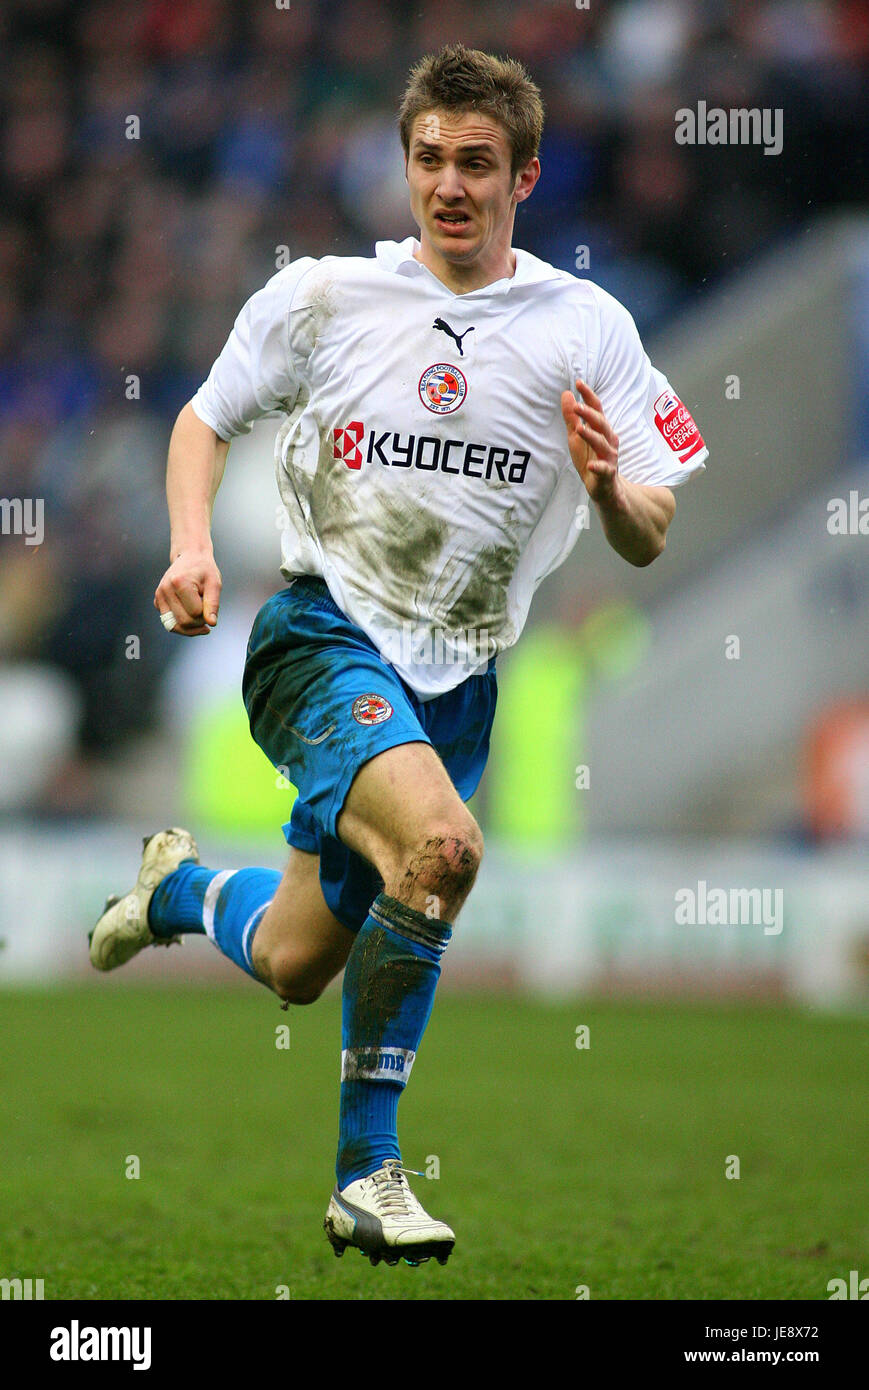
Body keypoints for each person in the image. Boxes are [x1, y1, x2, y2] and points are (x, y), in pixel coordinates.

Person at [89, 44, 708, 1268]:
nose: (448, 185)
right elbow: (204, 418)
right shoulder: (323, 297)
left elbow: (650, 526)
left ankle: (173, 892)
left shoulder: (586, 328)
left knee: (296, 962)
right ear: (405, 164)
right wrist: (189, 548)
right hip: (320, 640)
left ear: (523, 176)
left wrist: (606, 489)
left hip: (457, 684)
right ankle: (365, 1173)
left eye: (476, 163)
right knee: (444, 848)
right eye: (428, 158)